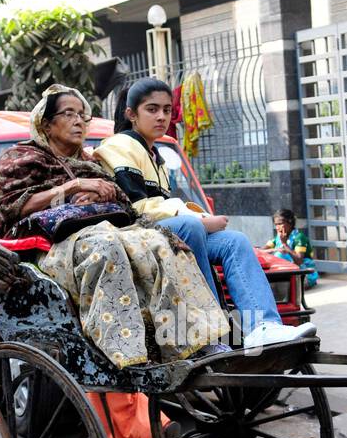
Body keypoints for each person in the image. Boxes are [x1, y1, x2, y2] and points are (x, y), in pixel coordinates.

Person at [0, 84, 229, 370]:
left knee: (164, 245)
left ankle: (192, 342)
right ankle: (125, 354)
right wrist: (72, 187)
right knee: (106, 248)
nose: (79, 121)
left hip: (107, 230)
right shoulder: (22, 158)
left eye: (83, 115)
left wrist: (100, 192)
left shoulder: (91, 164)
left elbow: (124, 204)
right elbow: (13, 205)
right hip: (53, 247)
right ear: (46, 123)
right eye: (69, 114)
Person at [96, 78, 317, 350]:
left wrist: (196, 217)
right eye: (152, 109)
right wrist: (198, 218)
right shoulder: (118, 146)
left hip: (164, 232)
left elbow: (164, 204)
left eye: (167, 110)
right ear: (131, 114)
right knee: (191, 227)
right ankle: (208, 335)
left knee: (234, 241)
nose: (161, 116)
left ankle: (263, 326)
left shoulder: (155, 155)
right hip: (134, 235)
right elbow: (135, 206)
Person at [263, 208, 318, 287]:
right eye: (276, 224)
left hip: (304, 274)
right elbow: (263, 250)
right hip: (287, 273)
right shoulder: (278, 238)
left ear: (290, 223)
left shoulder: (299, 237)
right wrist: (274, 249)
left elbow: (299, 261)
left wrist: (285, 244)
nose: (278, 227)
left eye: (280, 224)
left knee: (280, 255)